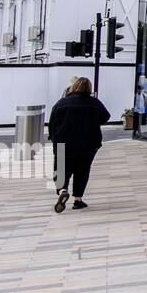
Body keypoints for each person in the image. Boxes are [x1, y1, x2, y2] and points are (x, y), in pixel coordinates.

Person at [48, 77, 110, 212]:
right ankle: (78, 200)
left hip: (63, 142)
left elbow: (52, 123)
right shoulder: (94, 103)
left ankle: (62, 190)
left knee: (61, 169)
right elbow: (106, 117)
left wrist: (53, 138)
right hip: (88, 143)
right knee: (82, 170)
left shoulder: (62, 103)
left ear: (73, 87)